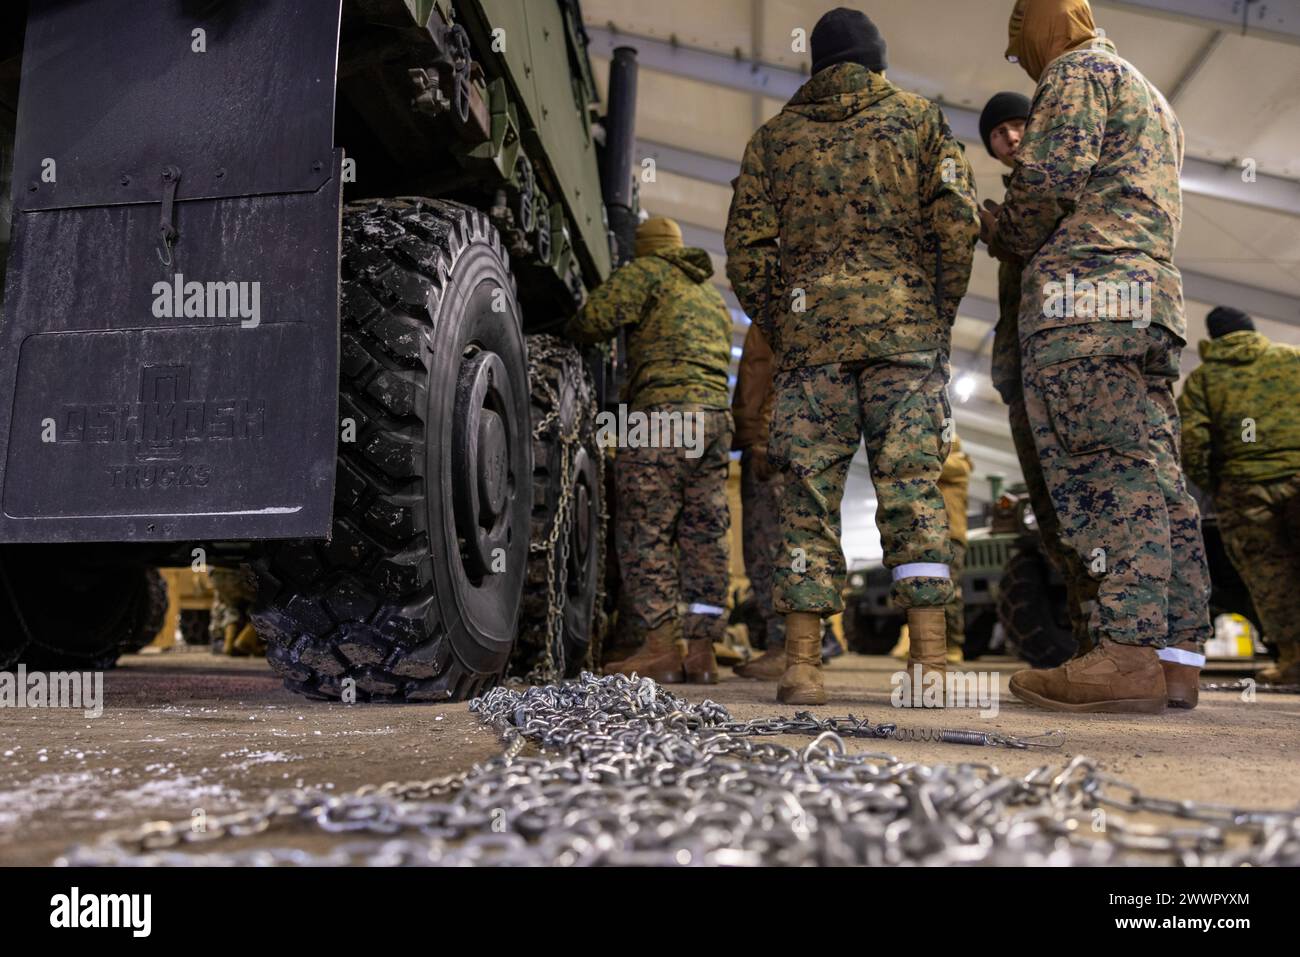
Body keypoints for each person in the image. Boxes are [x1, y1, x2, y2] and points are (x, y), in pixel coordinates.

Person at [727, 7, 979, 705]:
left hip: (812, 350)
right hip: (904, 337)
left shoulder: (774, 138)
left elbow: (747, 250)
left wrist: (789, 320)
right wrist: (932, 312)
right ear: (877, 59)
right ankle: (929, 664)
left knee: (804, 499)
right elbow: (958, 222)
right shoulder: (920, 120)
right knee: (913, 491)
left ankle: (802, 665)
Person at [983, 0, 1211, 712]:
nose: (1026, 64)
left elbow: (1048, 183)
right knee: (1158, 476)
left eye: (1024, 50)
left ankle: (1125, 654)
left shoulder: (1077, 74)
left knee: (1104, 474)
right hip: (1147, 304)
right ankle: (1176, 658)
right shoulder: (1150, 94)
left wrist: (1004, 233)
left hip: (1084, 304)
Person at [566, 217, 734, 684]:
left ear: (645, 250)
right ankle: (702, 652)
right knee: (705, 533)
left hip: (662, 415)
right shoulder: (711, 297)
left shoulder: (647, 273)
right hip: (716, 421)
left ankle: (661, 646)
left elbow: (592, 320)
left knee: (645, 528)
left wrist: (566, 331)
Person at [980, 90, 1097, 657]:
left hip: (1070, 358)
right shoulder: (1009, 204)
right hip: (1024, 364)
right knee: (1050, 513)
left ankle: (1121, 645)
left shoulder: (1069, 178)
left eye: (1016, 125)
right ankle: (1085, 648)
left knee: (1090, 501)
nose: (1010, 138)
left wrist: (998, 234)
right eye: (998, 135)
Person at [1178, 306, 1300, 686]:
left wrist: (1215, 484)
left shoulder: (1203, 379)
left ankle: (1293, 659)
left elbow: (1193, 442)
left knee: (1271, 577)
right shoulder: (1292, 359)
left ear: (1212, 338)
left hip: (1243, 492)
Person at [731, 322, 788, 679]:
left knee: (768, 547)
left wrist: (764, 435)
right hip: (786, 439)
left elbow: (776, 376)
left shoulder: (778, 309)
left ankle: (785, 647)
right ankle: (790, 647)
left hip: (770, 445)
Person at [938, 436, 974, 662]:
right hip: (932, 536)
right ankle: (932, 641)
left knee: (949, 590)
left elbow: (934, 464)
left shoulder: (959, 466)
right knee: (928, 589)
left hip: (952, 537)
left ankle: (953, 644)